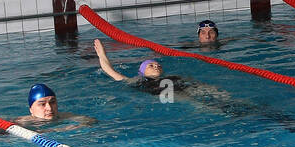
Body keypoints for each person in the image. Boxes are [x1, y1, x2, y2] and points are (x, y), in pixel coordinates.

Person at [94, 38, 231, 103]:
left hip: (182, 88)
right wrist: (102, 55)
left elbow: (193, 83)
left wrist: (213, 90)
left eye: (158, 65)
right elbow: (110, 71)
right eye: (150, 66)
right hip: (169, 95)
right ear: (142, 72)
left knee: (215, 93)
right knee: (197, 102)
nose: (156, 66)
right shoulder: (139, 81)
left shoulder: (173, 76)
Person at [12, 83, 96, 129]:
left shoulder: (65, 116)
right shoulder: (22, 122)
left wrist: (70, 128)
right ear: (31, 110)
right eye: (42, 104)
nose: (49, 108)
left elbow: (92, 121)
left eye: (52, 102)